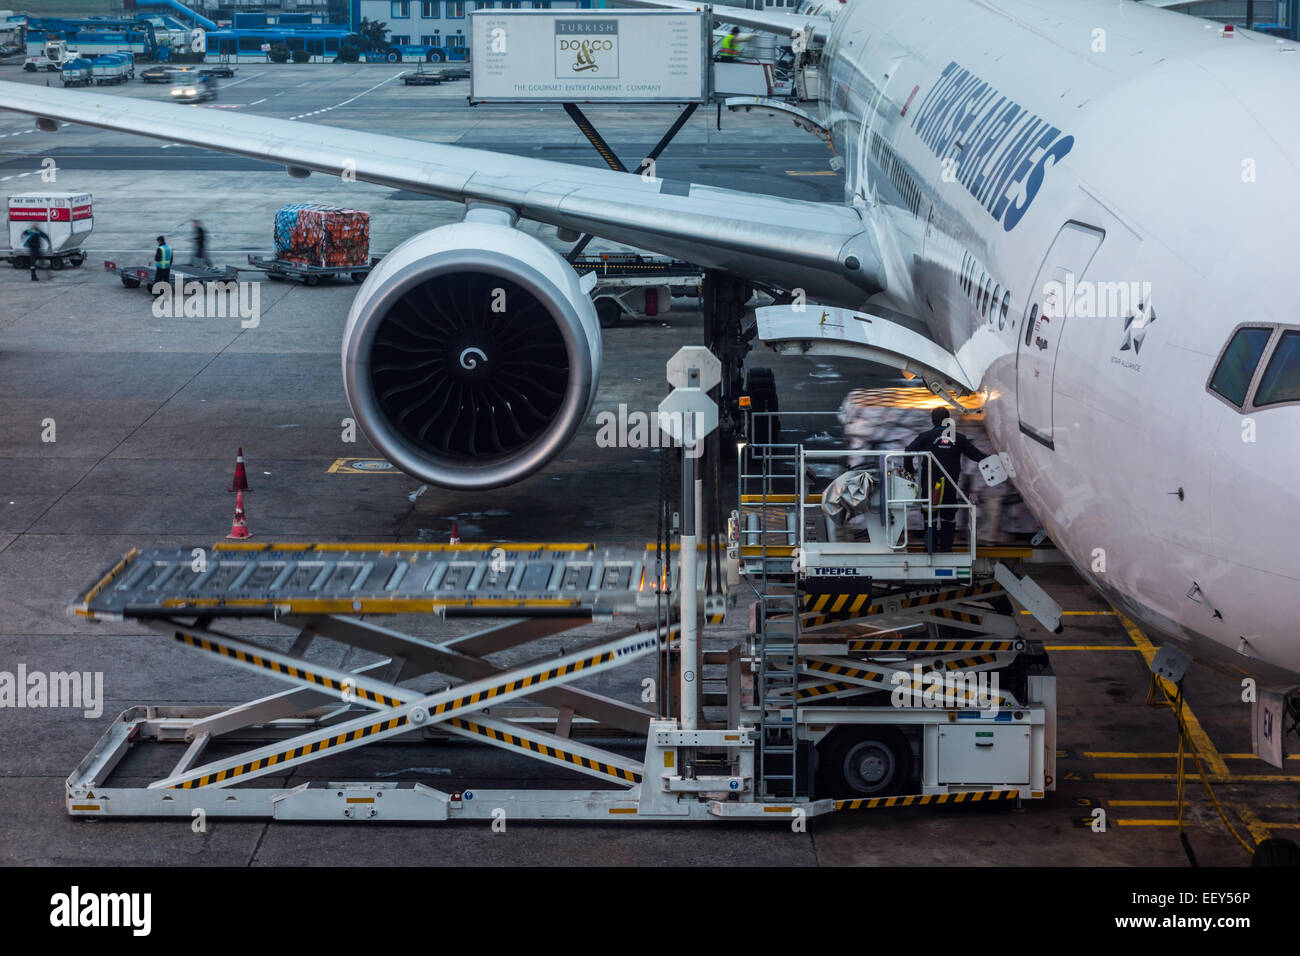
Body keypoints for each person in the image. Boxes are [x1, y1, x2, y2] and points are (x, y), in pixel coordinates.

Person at [905, 406, 990, 552]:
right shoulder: (959, 438)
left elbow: (908, 451)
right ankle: (946, 549)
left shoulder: (925, 437)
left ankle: (930, 549)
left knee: (929, 518)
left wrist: (911, 470)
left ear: (933, 420)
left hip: (930, 487)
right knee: (948, 517)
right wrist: (994, 460)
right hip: (950, 486)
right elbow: (976, 455)